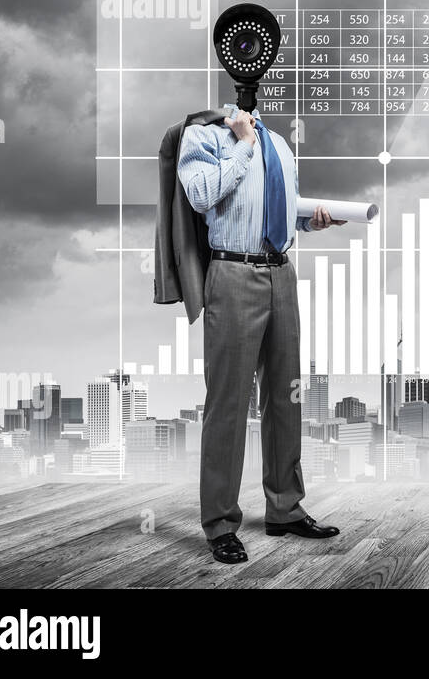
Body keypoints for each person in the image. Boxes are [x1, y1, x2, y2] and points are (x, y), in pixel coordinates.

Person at [177, 103, 345, 564]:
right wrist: (244, 142)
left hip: (282, 274)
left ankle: (285, 508)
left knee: (286, 398)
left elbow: (277, 210)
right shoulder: (205, 136)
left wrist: (309, 220)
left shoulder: (283, 146)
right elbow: (201, 194)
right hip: (232, 272)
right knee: (229, 402)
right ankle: (220, 524)